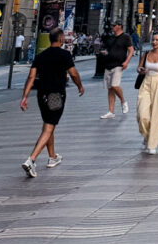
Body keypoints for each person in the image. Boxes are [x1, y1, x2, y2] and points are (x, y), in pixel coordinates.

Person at [19, 27, 84, 176]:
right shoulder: (64, 55)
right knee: (49, 127)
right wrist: (80, 86)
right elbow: (73, 73)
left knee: (48, 124)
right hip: (56, 95)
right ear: (60, 39)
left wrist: (25, 96)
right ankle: (31, 160)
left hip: (42, 95)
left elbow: (31, 77)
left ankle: (52, 157)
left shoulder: (40, 56)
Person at [136, 31, 158, 154]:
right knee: (142, 115)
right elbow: (138, 69)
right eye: (153, 39)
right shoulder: (146, 54)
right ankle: (147, 136)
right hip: (146, 83)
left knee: (156, 114)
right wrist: (140, 70)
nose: (154, 42)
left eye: (157, 40)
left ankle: (152, 144)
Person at [99, 21, 134, 119]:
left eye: (114, 25)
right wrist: (105, 52)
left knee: (115, 85)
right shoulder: (111, 37)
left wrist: (126, 62)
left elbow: (131, 50)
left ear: (120, 26)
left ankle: (123, 101)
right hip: (108, 64)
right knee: (110, 88)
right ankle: (111, 111)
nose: (112, 27)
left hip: (119, 65)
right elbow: (108, 49)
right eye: (112, 25)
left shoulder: (126, 37)